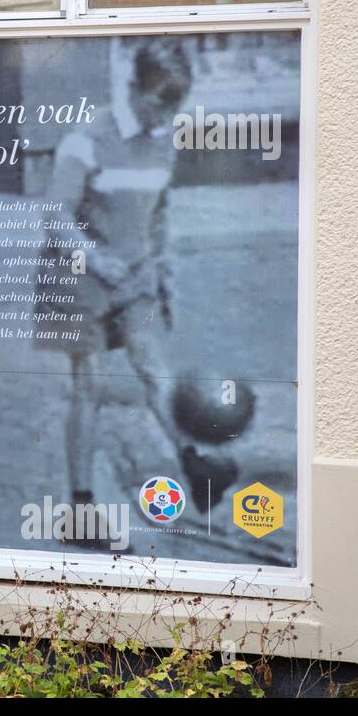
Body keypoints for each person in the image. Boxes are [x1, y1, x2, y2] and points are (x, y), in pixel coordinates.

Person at [35, 38, 237, 523]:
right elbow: (55, 215)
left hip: (135, 275)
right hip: (77, 278)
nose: (160, 118)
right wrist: (94, 259)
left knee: (153, 366)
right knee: (90, 387)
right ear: (132, 88)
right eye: (155, 105)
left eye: (173, 108)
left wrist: (161, 262)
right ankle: (81, 507)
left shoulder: (163, 142)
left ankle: (196, 466)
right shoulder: (85, 140)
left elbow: (157, 211)